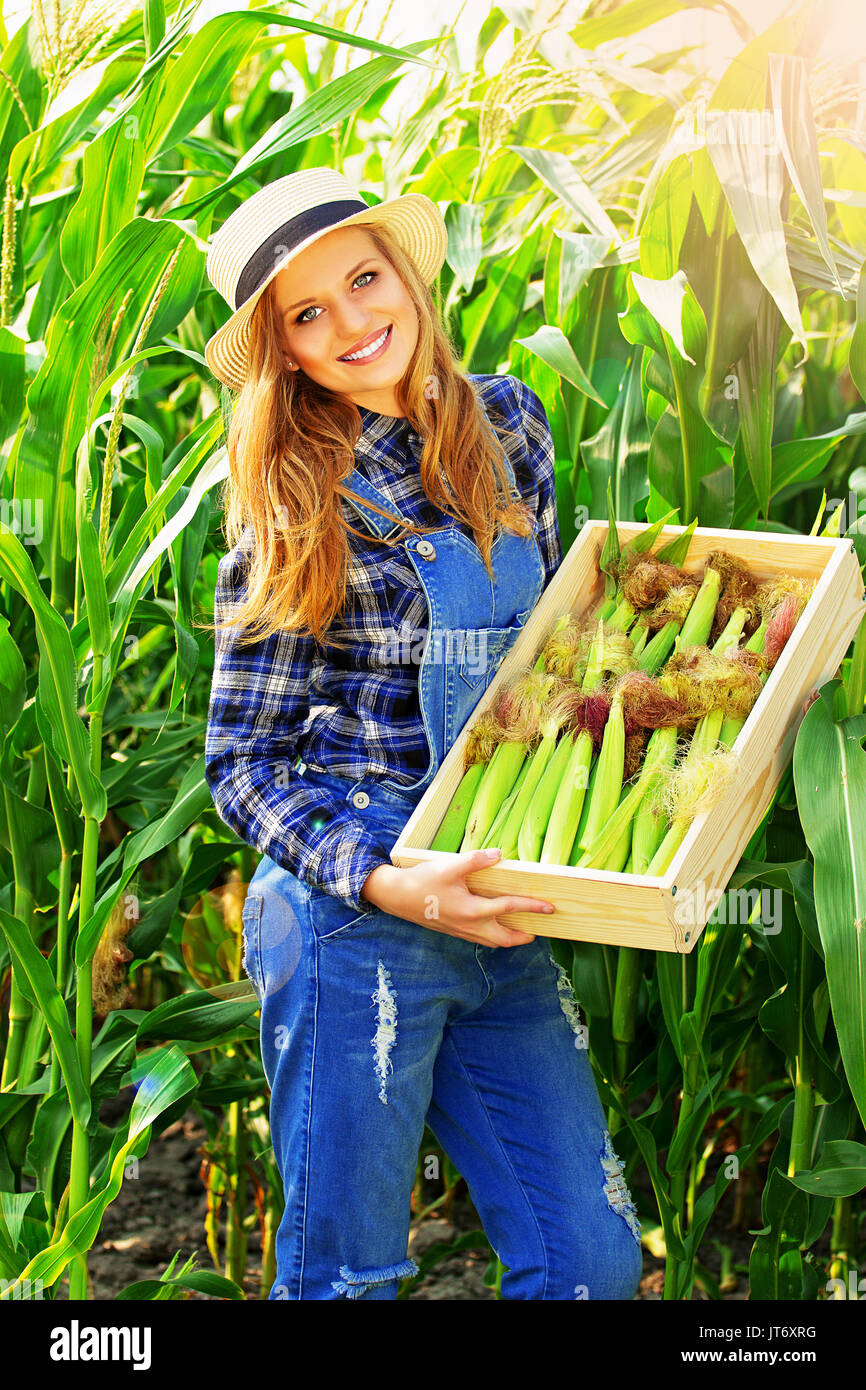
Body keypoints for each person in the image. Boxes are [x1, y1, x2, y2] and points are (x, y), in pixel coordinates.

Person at [202, 167, 643, 1301]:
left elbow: (548, 653)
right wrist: (389, 880)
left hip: (497, 887)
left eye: (363, 278)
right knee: (348, 1276)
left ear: (407, 273)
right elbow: (241, 762)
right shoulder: (293, 501)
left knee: (588, 1261)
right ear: (284, 350)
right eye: (308, 313)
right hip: (357, 918)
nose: (352, 322)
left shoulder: (508, 423)